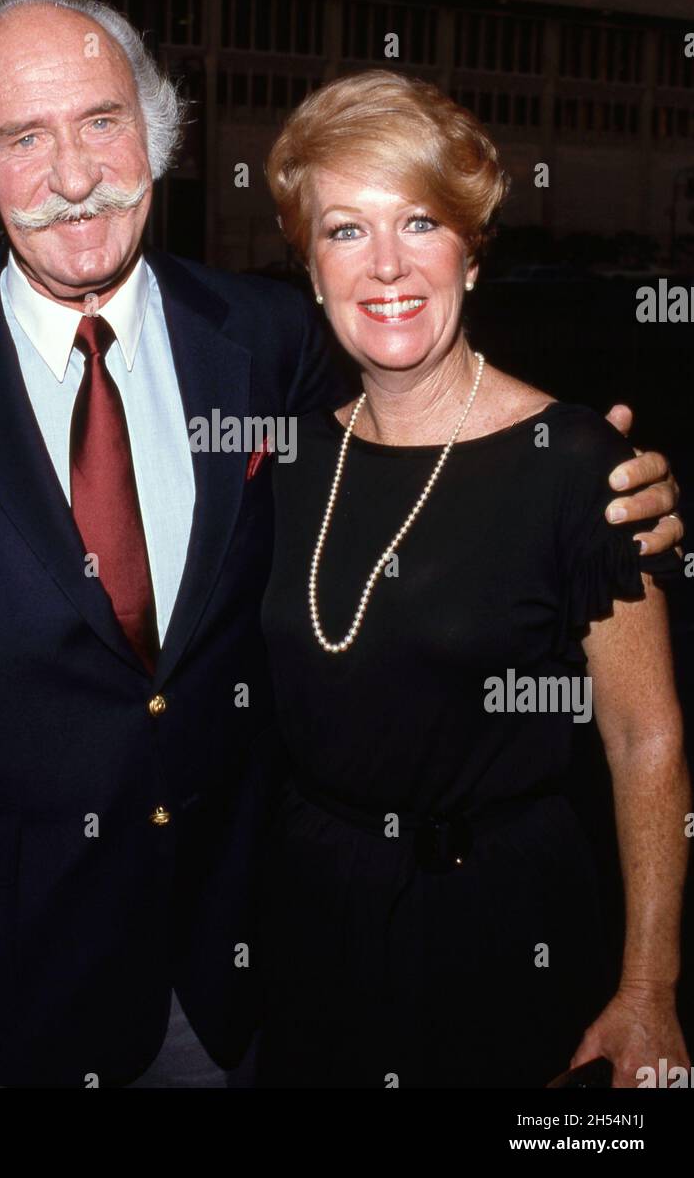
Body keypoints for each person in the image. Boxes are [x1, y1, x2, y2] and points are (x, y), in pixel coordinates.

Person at [0, 0, 682, 1089]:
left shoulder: (264, 343)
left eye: (102, 121)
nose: (75, 174)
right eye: (23, 138)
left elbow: (435, 426)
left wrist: (613, 480)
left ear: (157, 133)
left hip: (235, 975)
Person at [256, 70, 691, 1089]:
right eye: (346, 230)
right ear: (311, 267)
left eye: (420, 221)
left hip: (506, 928)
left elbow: (647, 736)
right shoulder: (283, 458)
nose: (388, 265)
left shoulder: (579, 460)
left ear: (471, 247)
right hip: (312, 924)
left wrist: (649, 990)